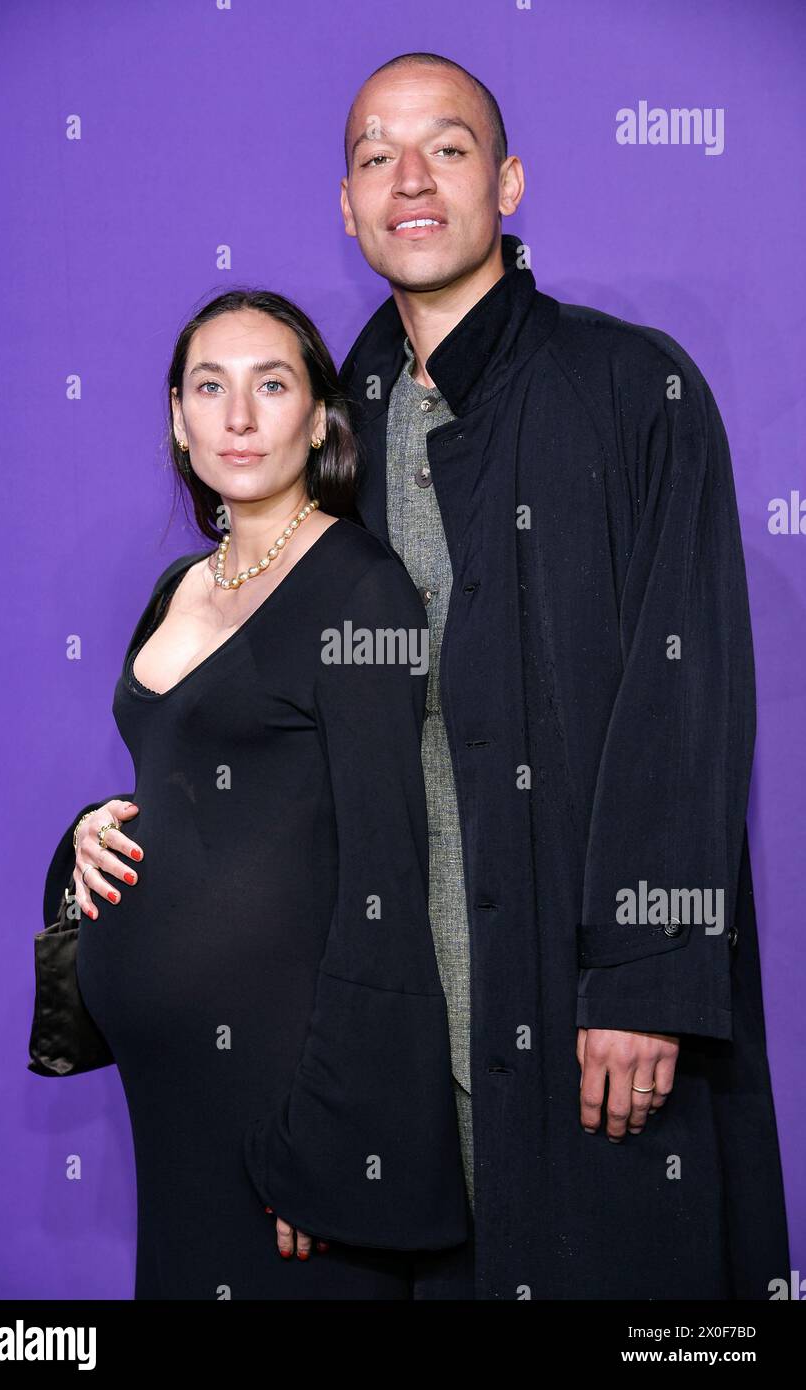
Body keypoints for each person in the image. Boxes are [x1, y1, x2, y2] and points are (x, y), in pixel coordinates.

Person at [336, 50, 790, 1299]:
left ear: (511, 182)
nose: (411, 180)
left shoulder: (634, 389)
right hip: (401, 1022)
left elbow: (686, 692)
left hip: (586, 1008)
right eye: (377, 155)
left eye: (449, 148)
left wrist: (642, 973)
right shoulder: (328, 426)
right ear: (346, 203)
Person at [41, 289, 469, 1299]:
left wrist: (335, 1146)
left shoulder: (363, 590)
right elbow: (180, 785)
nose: (238, 417)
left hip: (286, 1100)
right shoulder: (178, 586)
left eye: (270, 385)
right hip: (174, 1096)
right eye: (210, 387)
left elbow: (384, 874)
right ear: (177, 419)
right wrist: (86, 836)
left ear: (318, 417)